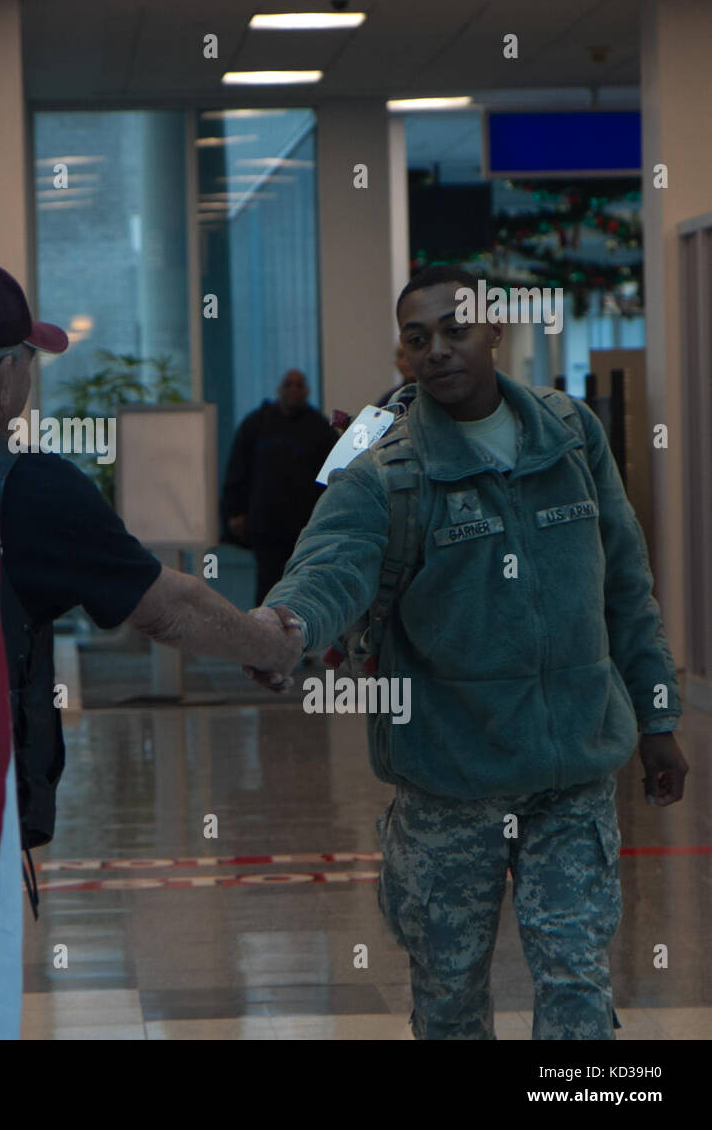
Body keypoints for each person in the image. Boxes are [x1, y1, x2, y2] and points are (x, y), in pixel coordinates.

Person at [254, 264, 687, 1040]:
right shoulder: (386, 466)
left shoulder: (572, 435)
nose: (438, 351)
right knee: (450, 1002)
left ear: (497, 330)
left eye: (456, 330)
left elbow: (626, 584)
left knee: (577, 984)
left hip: (573, 775)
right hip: (451, 782)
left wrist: (658, 716)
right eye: (418, 338)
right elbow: (329, 568)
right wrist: (286, 626)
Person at [0, 265, 303, 896]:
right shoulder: (33, 487)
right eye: (28, 360)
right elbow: (167, 607)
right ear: (3, 375)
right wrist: (272, 644)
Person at [222, 368, 339, 605]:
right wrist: (234, 512)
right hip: (266, 528)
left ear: (307, 391)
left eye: (299, 385)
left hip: (305, 529)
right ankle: (264, 636)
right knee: (267, 590)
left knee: (302, 590)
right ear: (279, 389)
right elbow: (238, 469)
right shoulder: (256, 424)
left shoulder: (320, 429)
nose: (293, 390)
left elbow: (334, 478)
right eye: (288, 384)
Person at [375, 340, 417, 410]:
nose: (406, 361)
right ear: (396, 363)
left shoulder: (436, 394)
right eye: (401, 356)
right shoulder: (389, 400)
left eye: (410, 355)